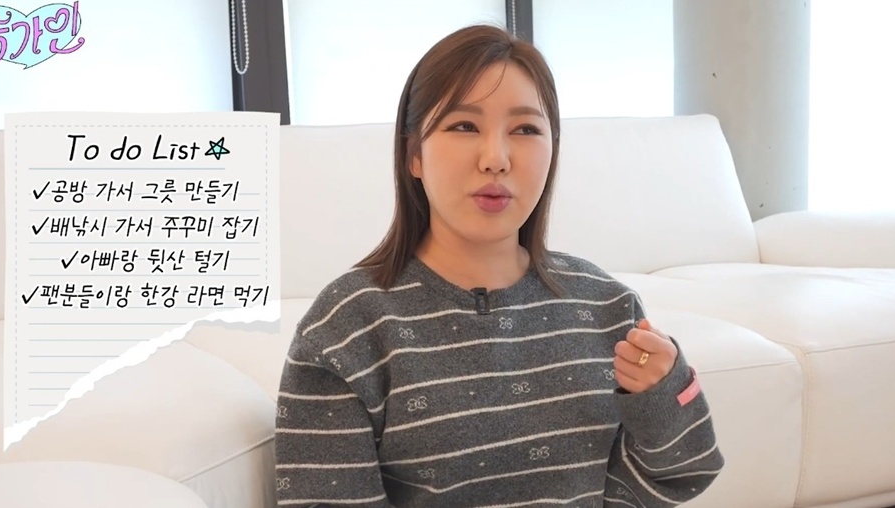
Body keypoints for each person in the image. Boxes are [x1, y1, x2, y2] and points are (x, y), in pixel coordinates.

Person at [274, 24, 724, 507]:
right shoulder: (344, 329)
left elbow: (683, 474)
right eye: (463, 126)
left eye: (525, 130)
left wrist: (665, 393)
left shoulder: (607, 307)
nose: (496, 159)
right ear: (414, 155)